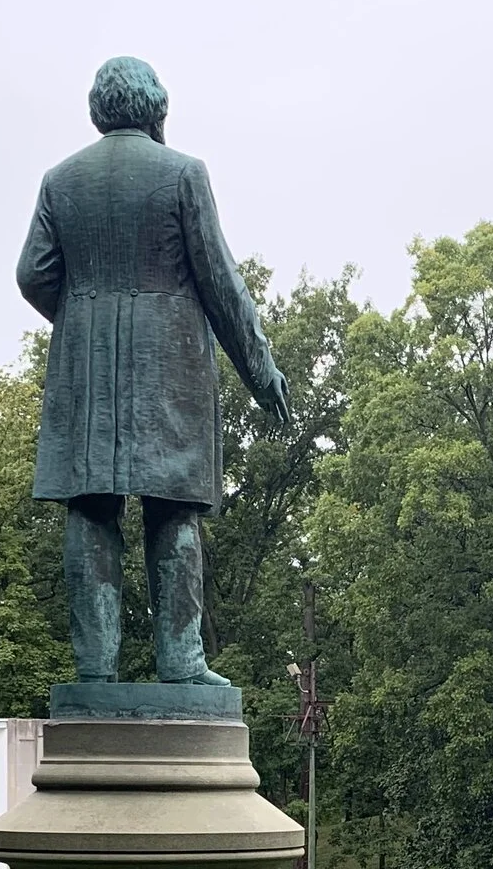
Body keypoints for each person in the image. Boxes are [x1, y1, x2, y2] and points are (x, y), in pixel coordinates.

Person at [15, 55, 291, 685]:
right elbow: (220, 282)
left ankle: (94, 669)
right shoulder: (183, 173)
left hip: (85, 368)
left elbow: (33, 275)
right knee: (173, 511)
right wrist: (260, 368)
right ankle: (182, 661)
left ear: (98, 109)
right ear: (157, 108)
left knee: (90, 508)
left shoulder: (61, 180)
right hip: (171, 364)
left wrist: (82, 312)